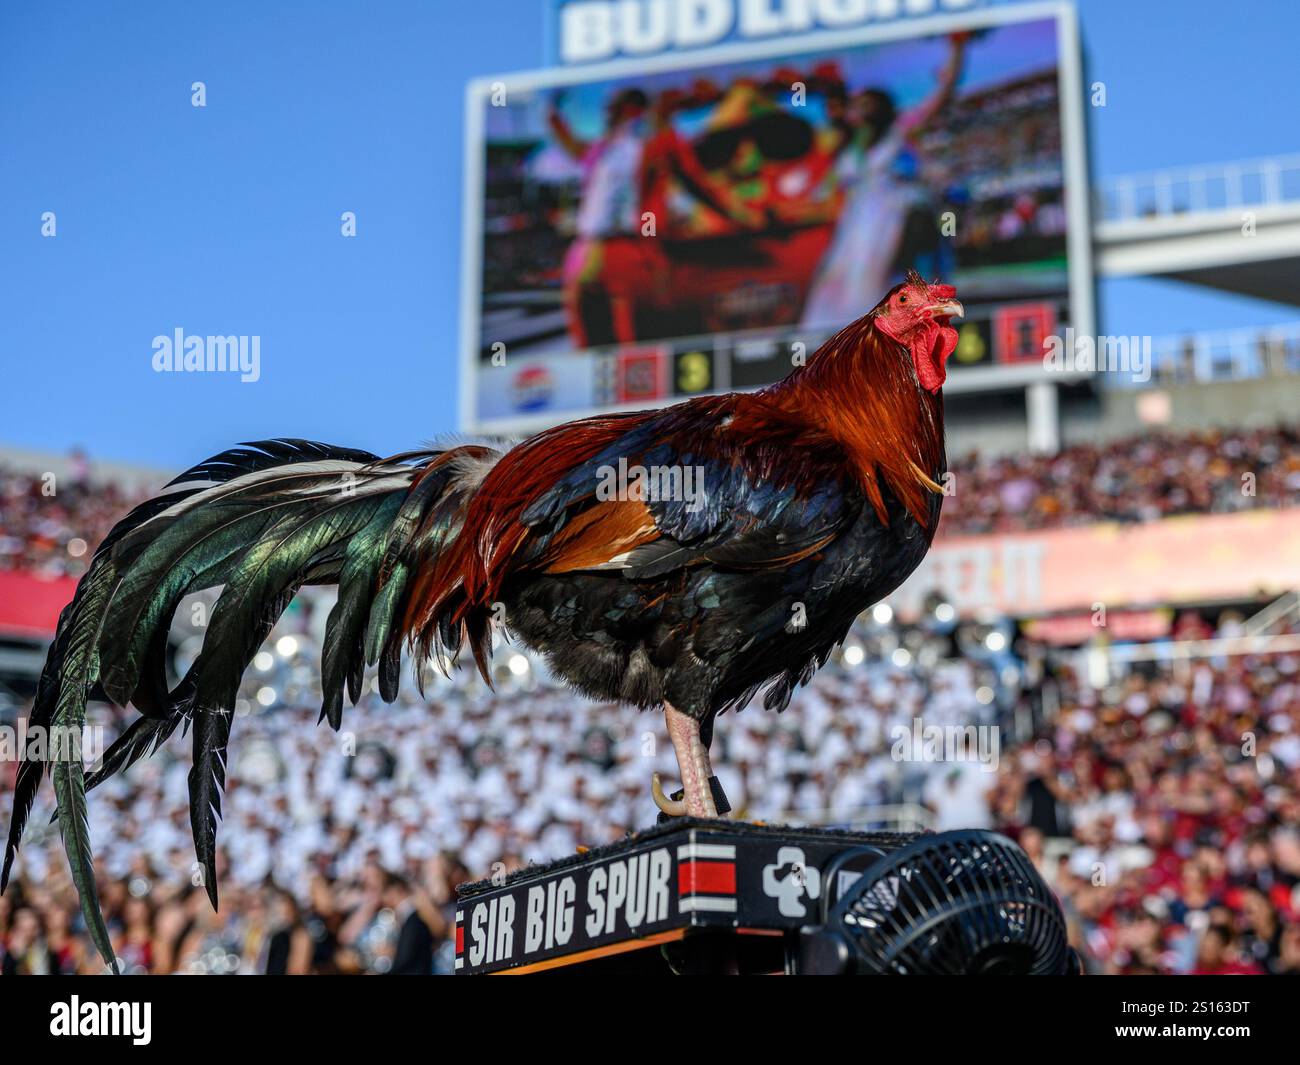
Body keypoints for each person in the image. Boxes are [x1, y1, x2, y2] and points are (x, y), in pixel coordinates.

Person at [801, 33, 968, 328]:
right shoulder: (847, 147)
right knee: (845, 295)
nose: (860, 109)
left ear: (882, 107)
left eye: (868, 103)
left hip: (895, 219)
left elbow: (941, 96)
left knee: (895, 288)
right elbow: (823, 191)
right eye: (857, 104)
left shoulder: (899, 131)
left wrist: (957, 47)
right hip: (857, 232)